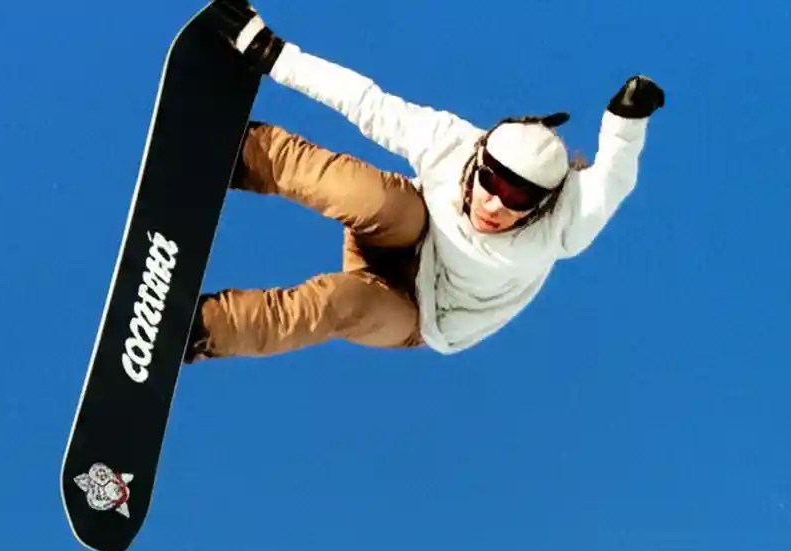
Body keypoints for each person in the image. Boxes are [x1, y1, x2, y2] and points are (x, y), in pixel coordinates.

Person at [184, 0, 665, 363]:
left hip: (417, 315)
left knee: (339, 303)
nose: (495, 206)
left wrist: (625, 126)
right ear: (478, 162)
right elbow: (366, 103)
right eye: (492, 182)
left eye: (518, 199)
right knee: (369, 197)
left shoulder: (564, 223)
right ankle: (242, 156)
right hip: (406, 231)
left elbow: (612, 179)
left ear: (541, 206)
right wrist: (272, 53)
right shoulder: (450, 145)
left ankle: (200, 330)